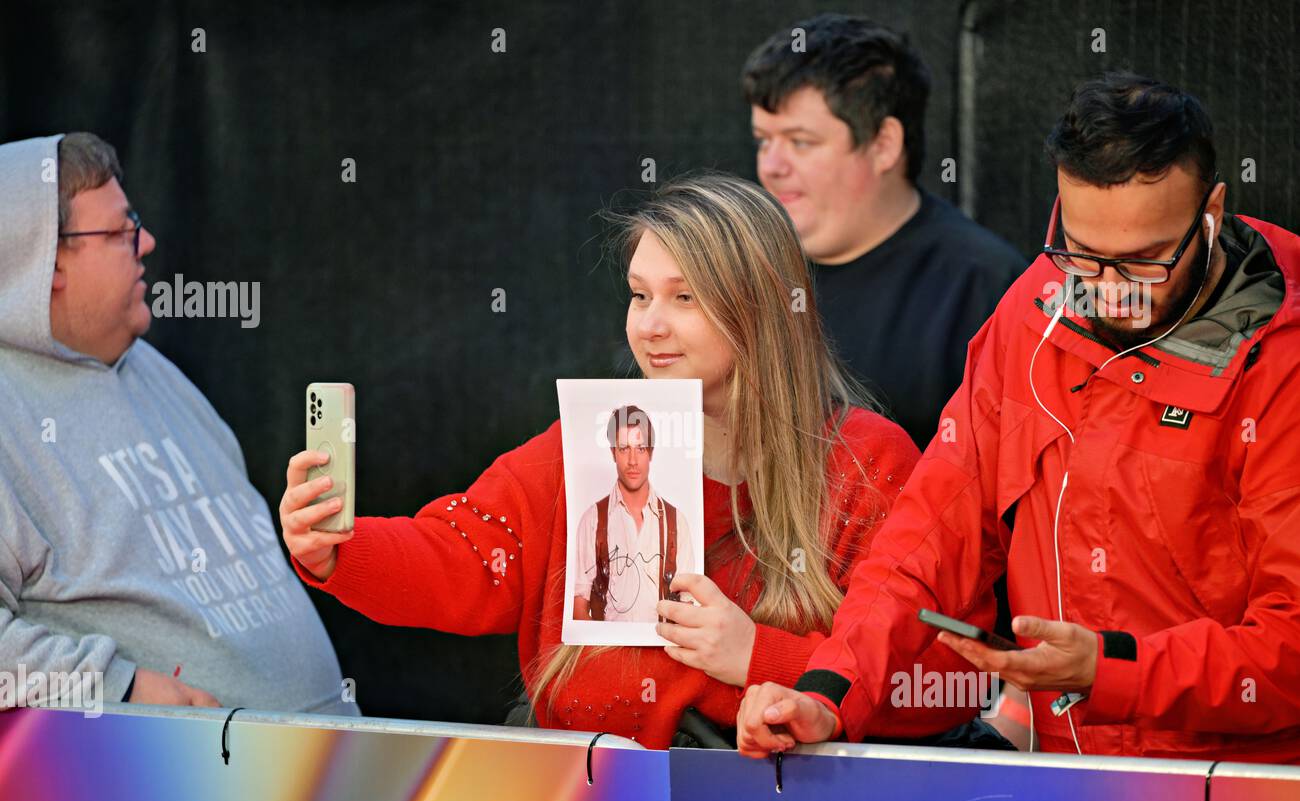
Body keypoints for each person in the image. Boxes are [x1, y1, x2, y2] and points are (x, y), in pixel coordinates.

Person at [280, 172, 978, 749]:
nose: (649, 325)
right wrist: (337, 548)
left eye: (684, 299)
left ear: (761, 310)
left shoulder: (865, 460)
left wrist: (759, 658)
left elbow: (947, 682)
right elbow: (466, 558)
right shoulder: (593, 439)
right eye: (640, 295)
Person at [737, 73, 1300, 763]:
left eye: (1147, 262)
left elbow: (1291, 642)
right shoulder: (1032, 310)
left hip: (1242, 794)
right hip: (1064, 780)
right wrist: (828, 690)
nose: (1111, 293)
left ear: (1211, 213)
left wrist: (1110, 668)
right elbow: (929, 537)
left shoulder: (1282, 365)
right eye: (1083, 254)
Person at [0, 132, 358, 715]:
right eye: (119, 230)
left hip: (318, 771)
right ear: (49, 258)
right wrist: (113, 686)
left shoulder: (154, 371)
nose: (146, 241)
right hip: (178, 789)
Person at [743, 13, 1025, 448]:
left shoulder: (986, 289)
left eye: (801, 142)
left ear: (883, 144)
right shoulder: (738, 268)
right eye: (764, 140)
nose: (771, 166)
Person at [572, 405, 696, 624]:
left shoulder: (676, 522)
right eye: (623, 448)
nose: (632, 460)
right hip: (608, 654)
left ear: (651, 453)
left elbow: (687, 609)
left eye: (640, 449)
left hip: (662, 653)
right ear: (613, 453)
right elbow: (578, 611)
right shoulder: (592, 520)